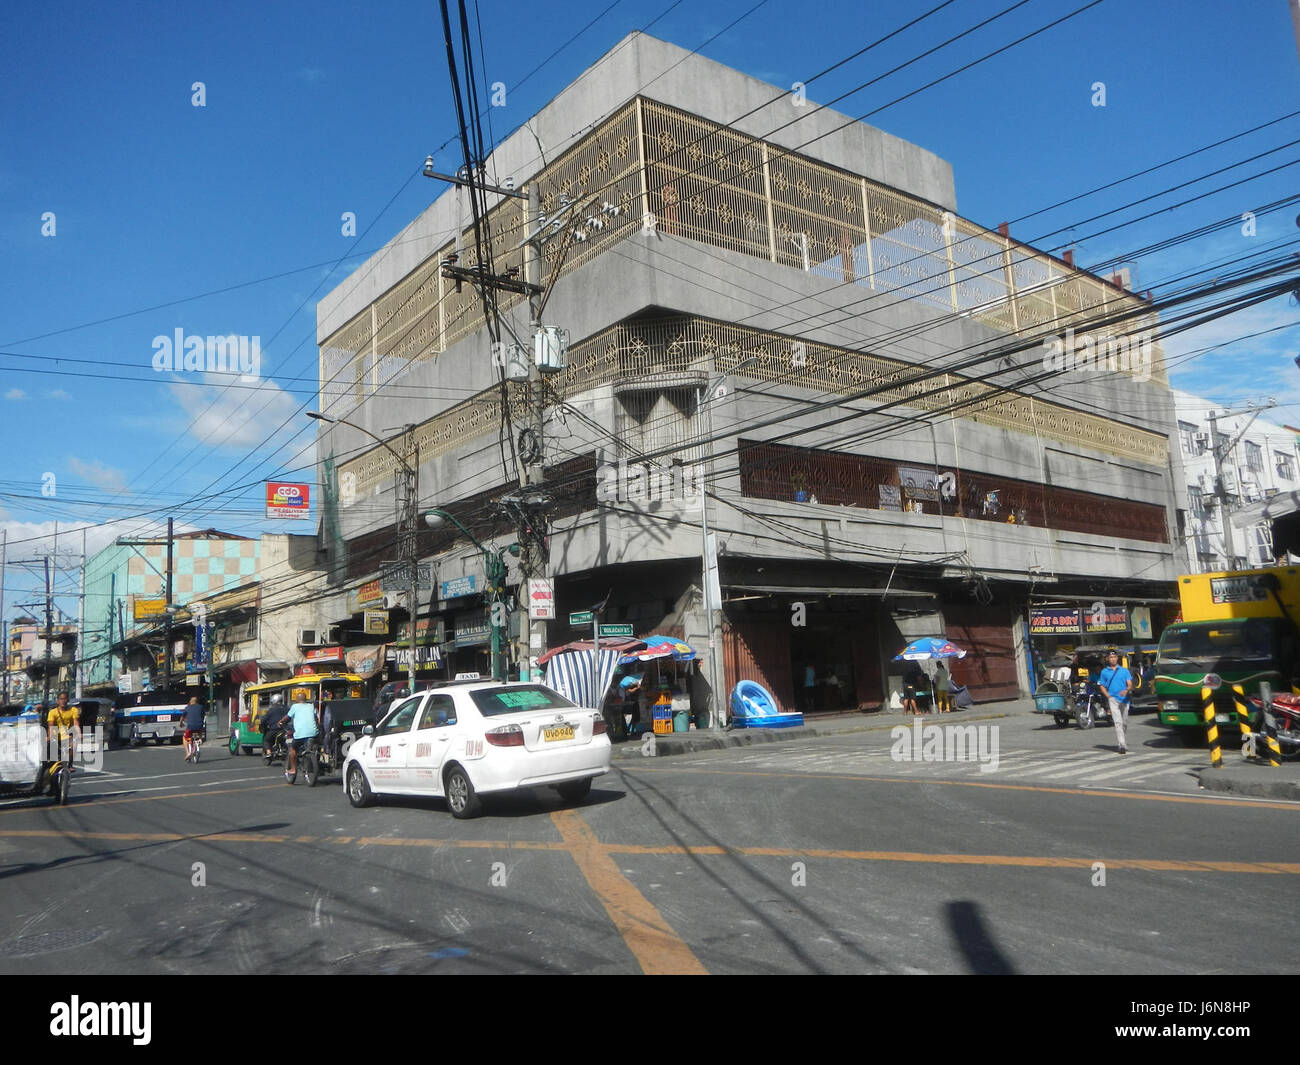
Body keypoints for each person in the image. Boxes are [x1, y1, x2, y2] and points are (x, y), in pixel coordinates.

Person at [1098, 649, 1134, 754]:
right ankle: (1122, 744)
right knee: (1117, 722)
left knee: (1124, 722)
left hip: (1125, 699)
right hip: (1113, 699)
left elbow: (1130, 684)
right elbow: (1102, 686)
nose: (1113, 659)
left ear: (1117, 658)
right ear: (1107, 659)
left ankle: (1123, 740)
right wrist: (1108, 696)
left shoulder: (1124, 671)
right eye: (1111, 657)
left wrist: (1126, 690)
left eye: (1114, 657)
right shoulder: (1104, 672)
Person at [284, 696, 319, 782]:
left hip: (300, 735)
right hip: (313, 733)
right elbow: (317, 718)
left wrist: (280, 722)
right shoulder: (311, 706)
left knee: (292, 749)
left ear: (296, 700)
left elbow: (287, 717)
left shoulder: (295, 706)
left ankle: (293, 769)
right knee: (311, 748)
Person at [45, 690, 82, 765]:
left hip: (67, 736)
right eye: (61, 699)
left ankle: (70, 763)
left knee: (74, 745)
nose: (63, 701)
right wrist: (50, 737)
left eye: (65, 699)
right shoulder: (52, 712)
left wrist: (79, 734)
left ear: (67, 700)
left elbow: (76, 723)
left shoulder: (73, 710)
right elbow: (50, 726)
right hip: (55, 737)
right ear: (58, 701)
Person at [181, 697, 206, 762]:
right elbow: (203, 715)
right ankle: (200, 739)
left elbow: (182, 717)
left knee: (184, 737)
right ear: (197, 702)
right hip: (199, 726)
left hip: (190, 727)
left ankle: (188, 753)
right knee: (199, 729)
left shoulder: (187, 708)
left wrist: (180, 724)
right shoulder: (201, 707)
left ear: (190, 701)